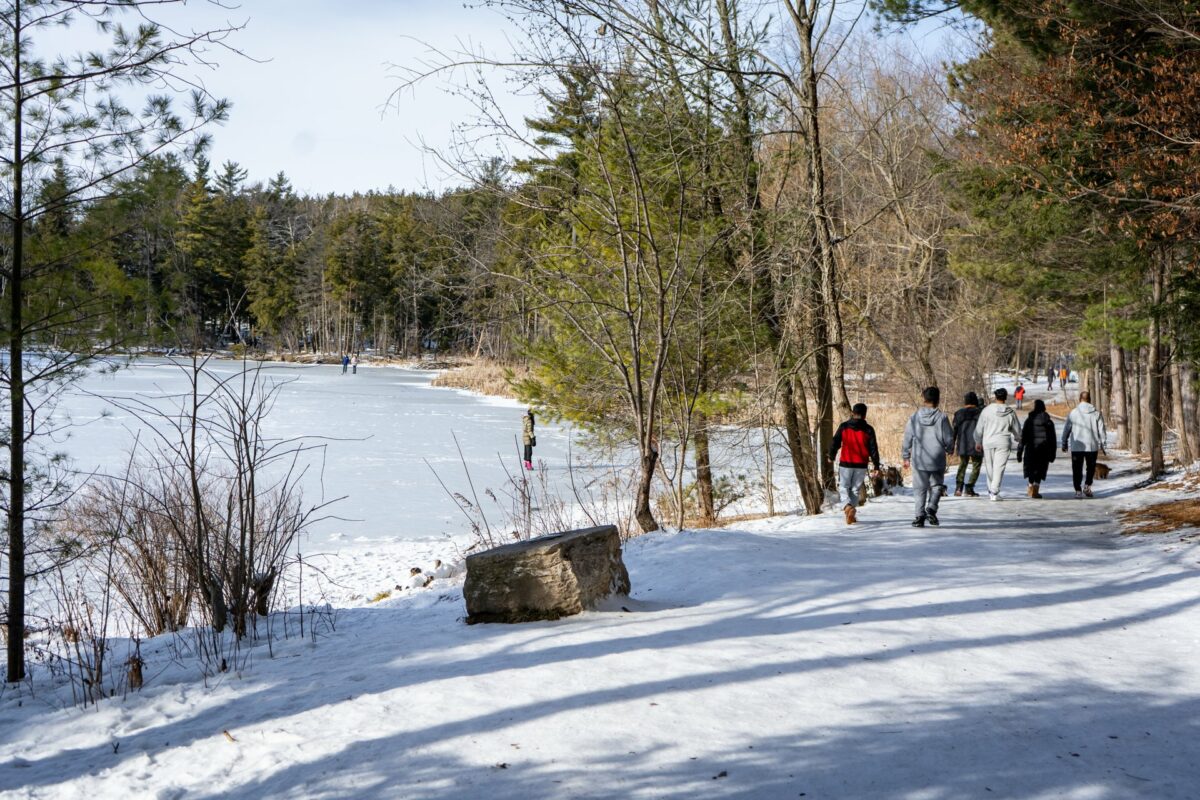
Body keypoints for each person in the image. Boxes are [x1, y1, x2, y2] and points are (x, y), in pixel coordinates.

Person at [901, 386, 955, 528]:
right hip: (937, 458)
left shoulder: (914, 417)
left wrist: (906, 456)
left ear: (924, 399)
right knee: (937, 486)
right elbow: (949, 437)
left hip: (919, 458)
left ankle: (919, 517)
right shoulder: (942, 418)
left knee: (920, 488)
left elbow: (907, 438)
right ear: (938, 400)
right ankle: (931, 508)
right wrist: (950, 449)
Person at [828, 403, 882, 526]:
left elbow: (835, 442)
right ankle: (850, 513)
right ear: (865, 415)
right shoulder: (868, 429)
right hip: (861, 464)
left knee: (844, 487)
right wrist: (876, 466)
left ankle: (847, 507)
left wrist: (831, 456)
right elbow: (873, 449)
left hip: (846, 463)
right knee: (855, 489)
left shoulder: (844, 426)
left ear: (852, 413)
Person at [973, 387, 1022, 501]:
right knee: (999, 467)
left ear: (995, 397)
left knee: (990, 467)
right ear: (1005, 398)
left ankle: (992, 491)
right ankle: (994, 491)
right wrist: (1019, 437)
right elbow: (1016, 428)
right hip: (1003, 442)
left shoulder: (987, 410)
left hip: (988, 441)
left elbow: (979, 428)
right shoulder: (1010, 412)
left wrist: (978, 441)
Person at [1062, 390, 1107, 498]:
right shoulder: (1096, 413)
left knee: (1076, 468)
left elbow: (1067, 429)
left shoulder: (1073, 413)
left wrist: (1064, 442)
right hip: (1091, 446)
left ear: (1080, 399)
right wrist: (1103, 444)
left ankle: (1078, 490)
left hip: (1077, 446)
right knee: (1090, 468)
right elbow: (1102, 430)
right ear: (1090, 400)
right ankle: (1087, 485)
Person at [1017, 399, 1056, 498]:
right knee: (1040, 469)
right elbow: (1052, 439)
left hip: (1031, 449)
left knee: (1031, 469)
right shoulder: (1048, 422)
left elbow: (1023, 437)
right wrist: (1052, 454)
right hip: (1044, 449)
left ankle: (1030, 487)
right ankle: (1036, 489)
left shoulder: (1029, 421)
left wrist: (1019, 451)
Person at [952, 392, 983, 497]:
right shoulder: (981, 413)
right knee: (976, 465)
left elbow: (954, 430)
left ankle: (958, 487)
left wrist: (952, 444)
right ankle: (969, 487)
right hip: (977, 444)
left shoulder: (959, 413)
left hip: (963, 443)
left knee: (962, 464)